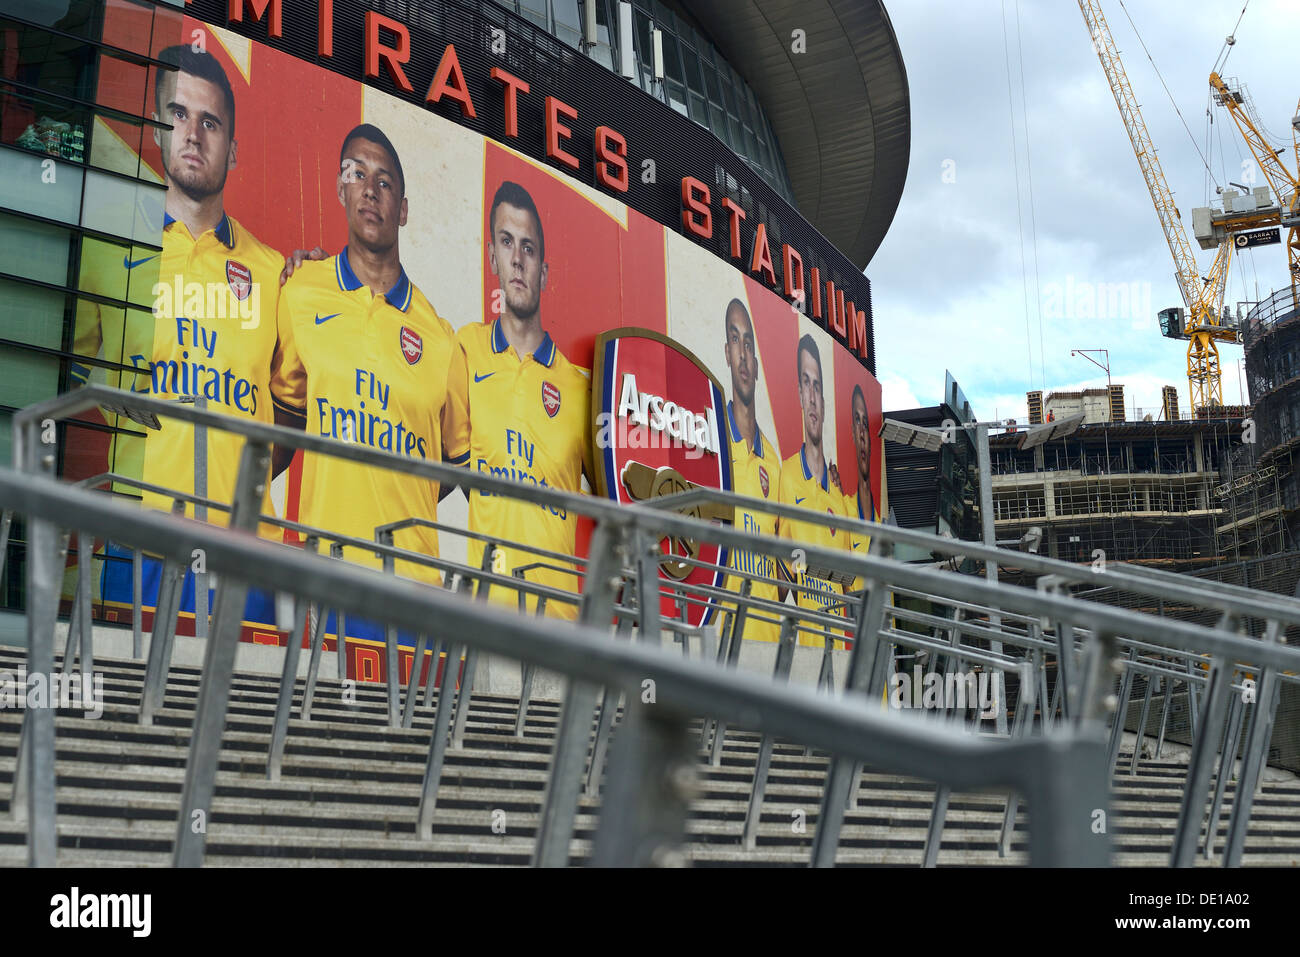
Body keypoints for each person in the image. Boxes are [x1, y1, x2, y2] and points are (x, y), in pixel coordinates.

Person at [95, 46, 319, 626]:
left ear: (234, 149)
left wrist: (244, 476)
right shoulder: (109, 249)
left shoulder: (276, 273)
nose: (192, 134)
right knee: (132, 707)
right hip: (137, 534)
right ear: (156, 130)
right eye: (178, 115)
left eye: (210, 122)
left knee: (248, 713)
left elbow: (293, 413)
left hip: (247, 549)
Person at [271, 123, 457, 610]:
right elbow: (284, 422)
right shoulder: (300, 290)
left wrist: (398, 489)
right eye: (356, 173)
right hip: (323, 576)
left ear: (405, 209)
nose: (370, 190)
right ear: (340, 188)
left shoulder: (441, 337)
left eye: (385, 181)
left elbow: (454, 465)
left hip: (414, 589)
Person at [444, 181, 593, 620]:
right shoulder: (466, 349)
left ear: (543, 272)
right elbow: (460, 470)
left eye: (528, 248)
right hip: (488, 619)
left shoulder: (580, 386)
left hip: (562, 626)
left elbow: (614, 498)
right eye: (507, 242)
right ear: (492, 256)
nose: (517, 259)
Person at [776, 334, 851, 647]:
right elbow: (781, 579)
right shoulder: (788, 475)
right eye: (805, 383)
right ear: (798, 394)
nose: (811, 395)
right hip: (809, 647)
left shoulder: (838, 492)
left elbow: (852, 583)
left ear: (823, 400)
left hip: (843, 647)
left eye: (817, 385)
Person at [719, 298, 780, 643]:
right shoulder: (709, 438)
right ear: (726, 353)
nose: (742, 353)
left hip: (768, 645)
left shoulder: (773, 461)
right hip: (720, 640)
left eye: (748, 343)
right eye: (734, 340)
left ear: (756, 363)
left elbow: (786, 567)